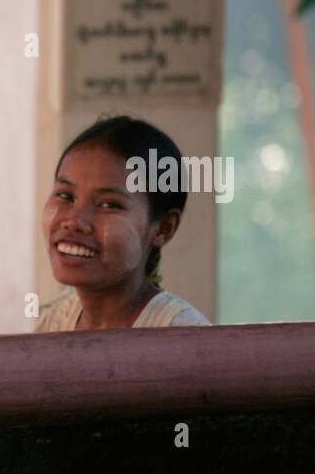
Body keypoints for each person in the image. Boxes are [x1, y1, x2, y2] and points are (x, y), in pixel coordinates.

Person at [35, 115, 211, 331]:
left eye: (108, 205)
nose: (74, 221)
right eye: (65, 196)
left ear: (164, 228)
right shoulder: (51, 324)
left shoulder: (184, 338)